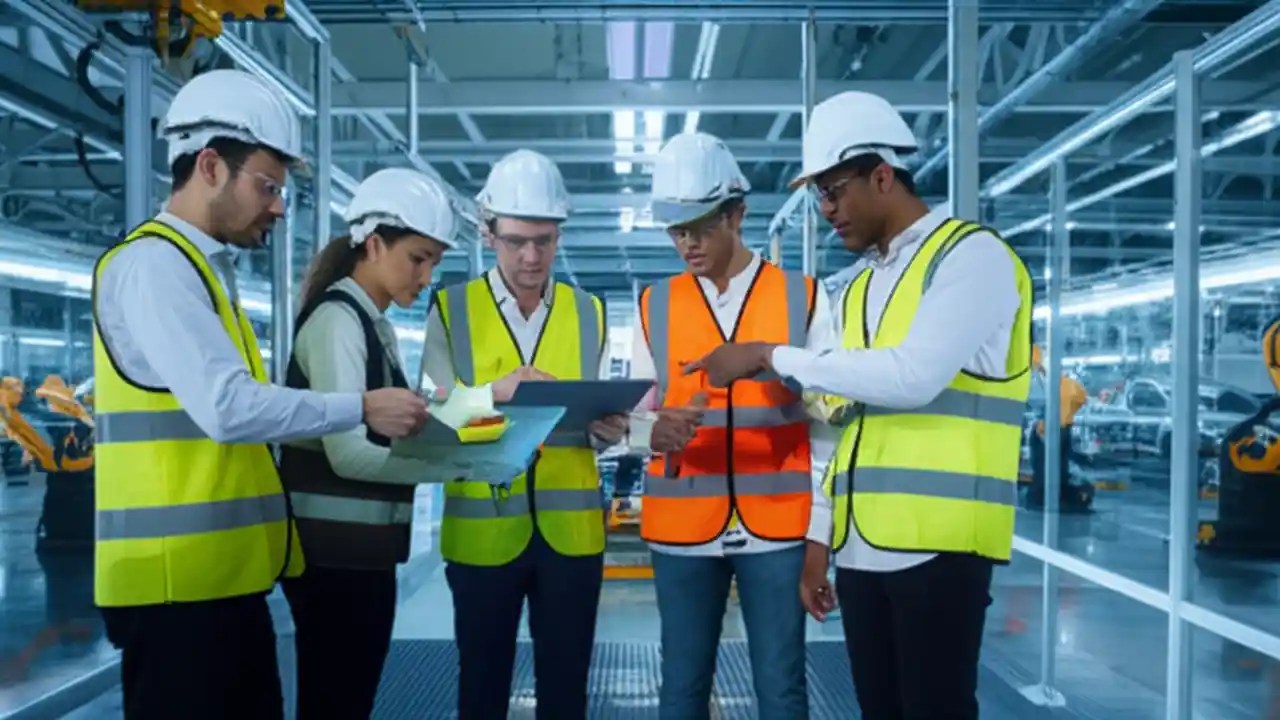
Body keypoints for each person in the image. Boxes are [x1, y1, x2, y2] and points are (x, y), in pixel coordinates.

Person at [91, 69, 430, 719]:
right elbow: (229, 407)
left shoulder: (203, 273)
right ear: (211, 166)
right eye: (267, 185)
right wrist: (358, 406)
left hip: (225, 581)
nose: (279, 205)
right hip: (175, 588)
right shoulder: (154, 267)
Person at [686, 90, 1033, 720]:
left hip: (944, 549)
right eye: (818, 194)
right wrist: (820, 539)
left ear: (882, 175)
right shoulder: (858, 290)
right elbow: (837, 422)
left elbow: (912, 377)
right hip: (862, 550)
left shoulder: (971, 257)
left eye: (835, 191)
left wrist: (772, 354)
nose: (826, 210)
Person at [278, 167, 494, 717]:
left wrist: (490, 405)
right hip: (332, 562)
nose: (426, 277)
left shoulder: (374, 324)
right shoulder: (336, 321)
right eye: (418, 258)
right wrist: (462, 469)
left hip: (359, 556)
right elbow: (348, 453)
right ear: (374, 244)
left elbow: (403, 421)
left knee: (347, 700)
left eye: (435, 263)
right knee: (335, 702)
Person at [632, 132, 830, 719]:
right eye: (676, 230)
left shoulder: (805, 299)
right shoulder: (653, 304)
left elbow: (829, 430)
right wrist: (650, 433)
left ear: (737, 214)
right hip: (680, 526)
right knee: (681, 687)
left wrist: (819, 537)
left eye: (700, 226)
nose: (687, 243)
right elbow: (627, 420)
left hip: (779, 529)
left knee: (781, 687)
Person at [421, 148, 625, 720]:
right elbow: (434, 419)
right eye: (516, 241)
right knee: (481, 687)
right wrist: (495, 394)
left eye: (545, 240)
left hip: (573, 537)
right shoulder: (451, 310)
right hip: (484, 538)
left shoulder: (590, 313)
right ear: (488, 233)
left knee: (567, 689)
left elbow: (599, 426)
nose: (532, 256)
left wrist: (610, 431)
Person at [1027, 344, 1093, 512]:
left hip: (1046, 429)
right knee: (1059, 467)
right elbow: (1083, 400)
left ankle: (1039, 499)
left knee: (1043, 467)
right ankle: (1057, 498)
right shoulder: (1070, 384)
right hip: (1064, 428)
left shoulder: (1045, 381)